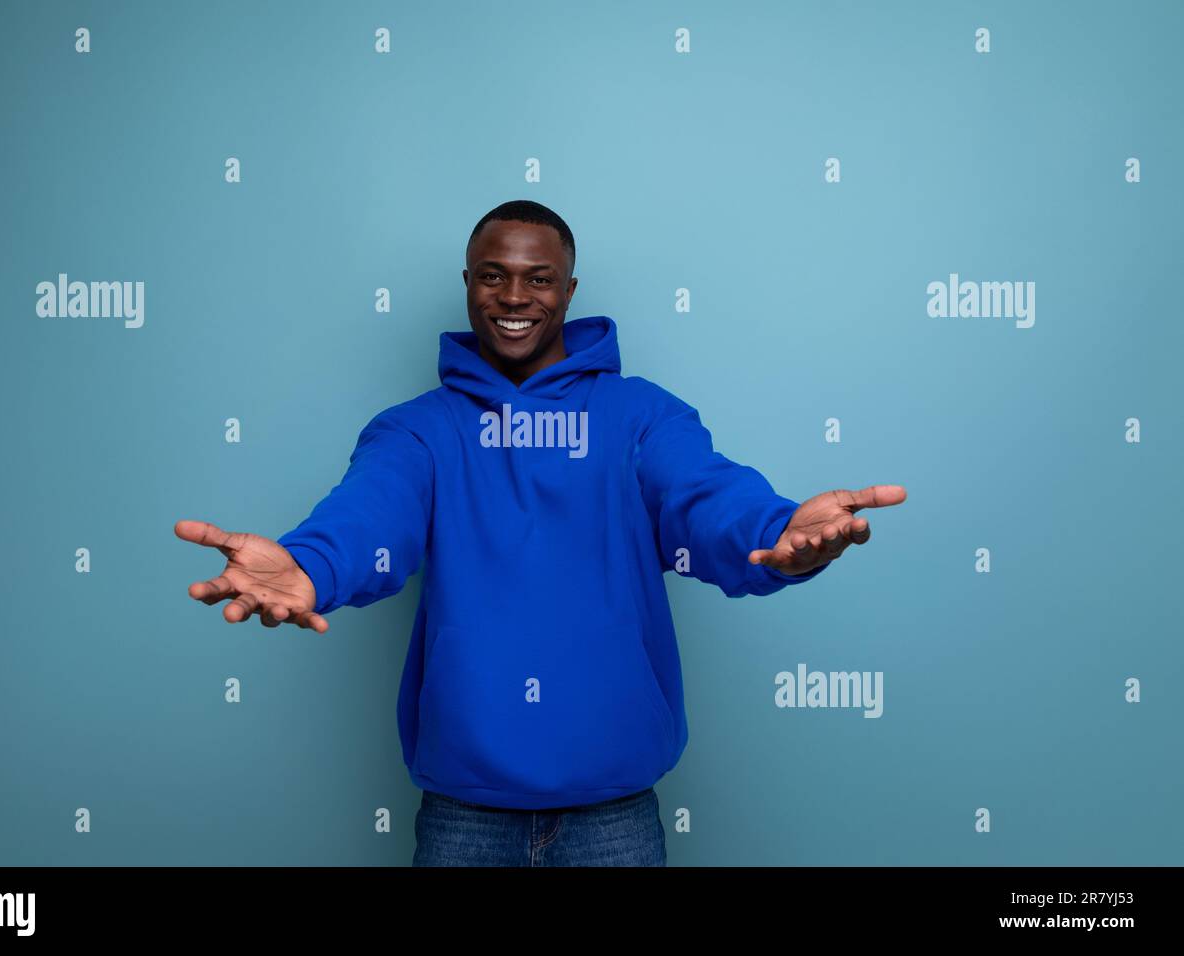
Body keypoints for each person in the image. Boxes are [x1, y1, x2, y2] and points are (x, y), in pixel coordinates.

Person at [174, 200, 906, 866]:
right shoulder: (419, 431)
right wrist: (308, 566)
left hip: (614, 814)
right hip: (463, 815)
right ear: (468, 283)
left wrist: (778, 531)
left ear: (570, 290)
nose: (515, 297)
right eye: (494, 276)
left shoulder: (640, 417)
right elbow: (370, 513)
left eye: (539, 279)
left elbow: (707, 496)